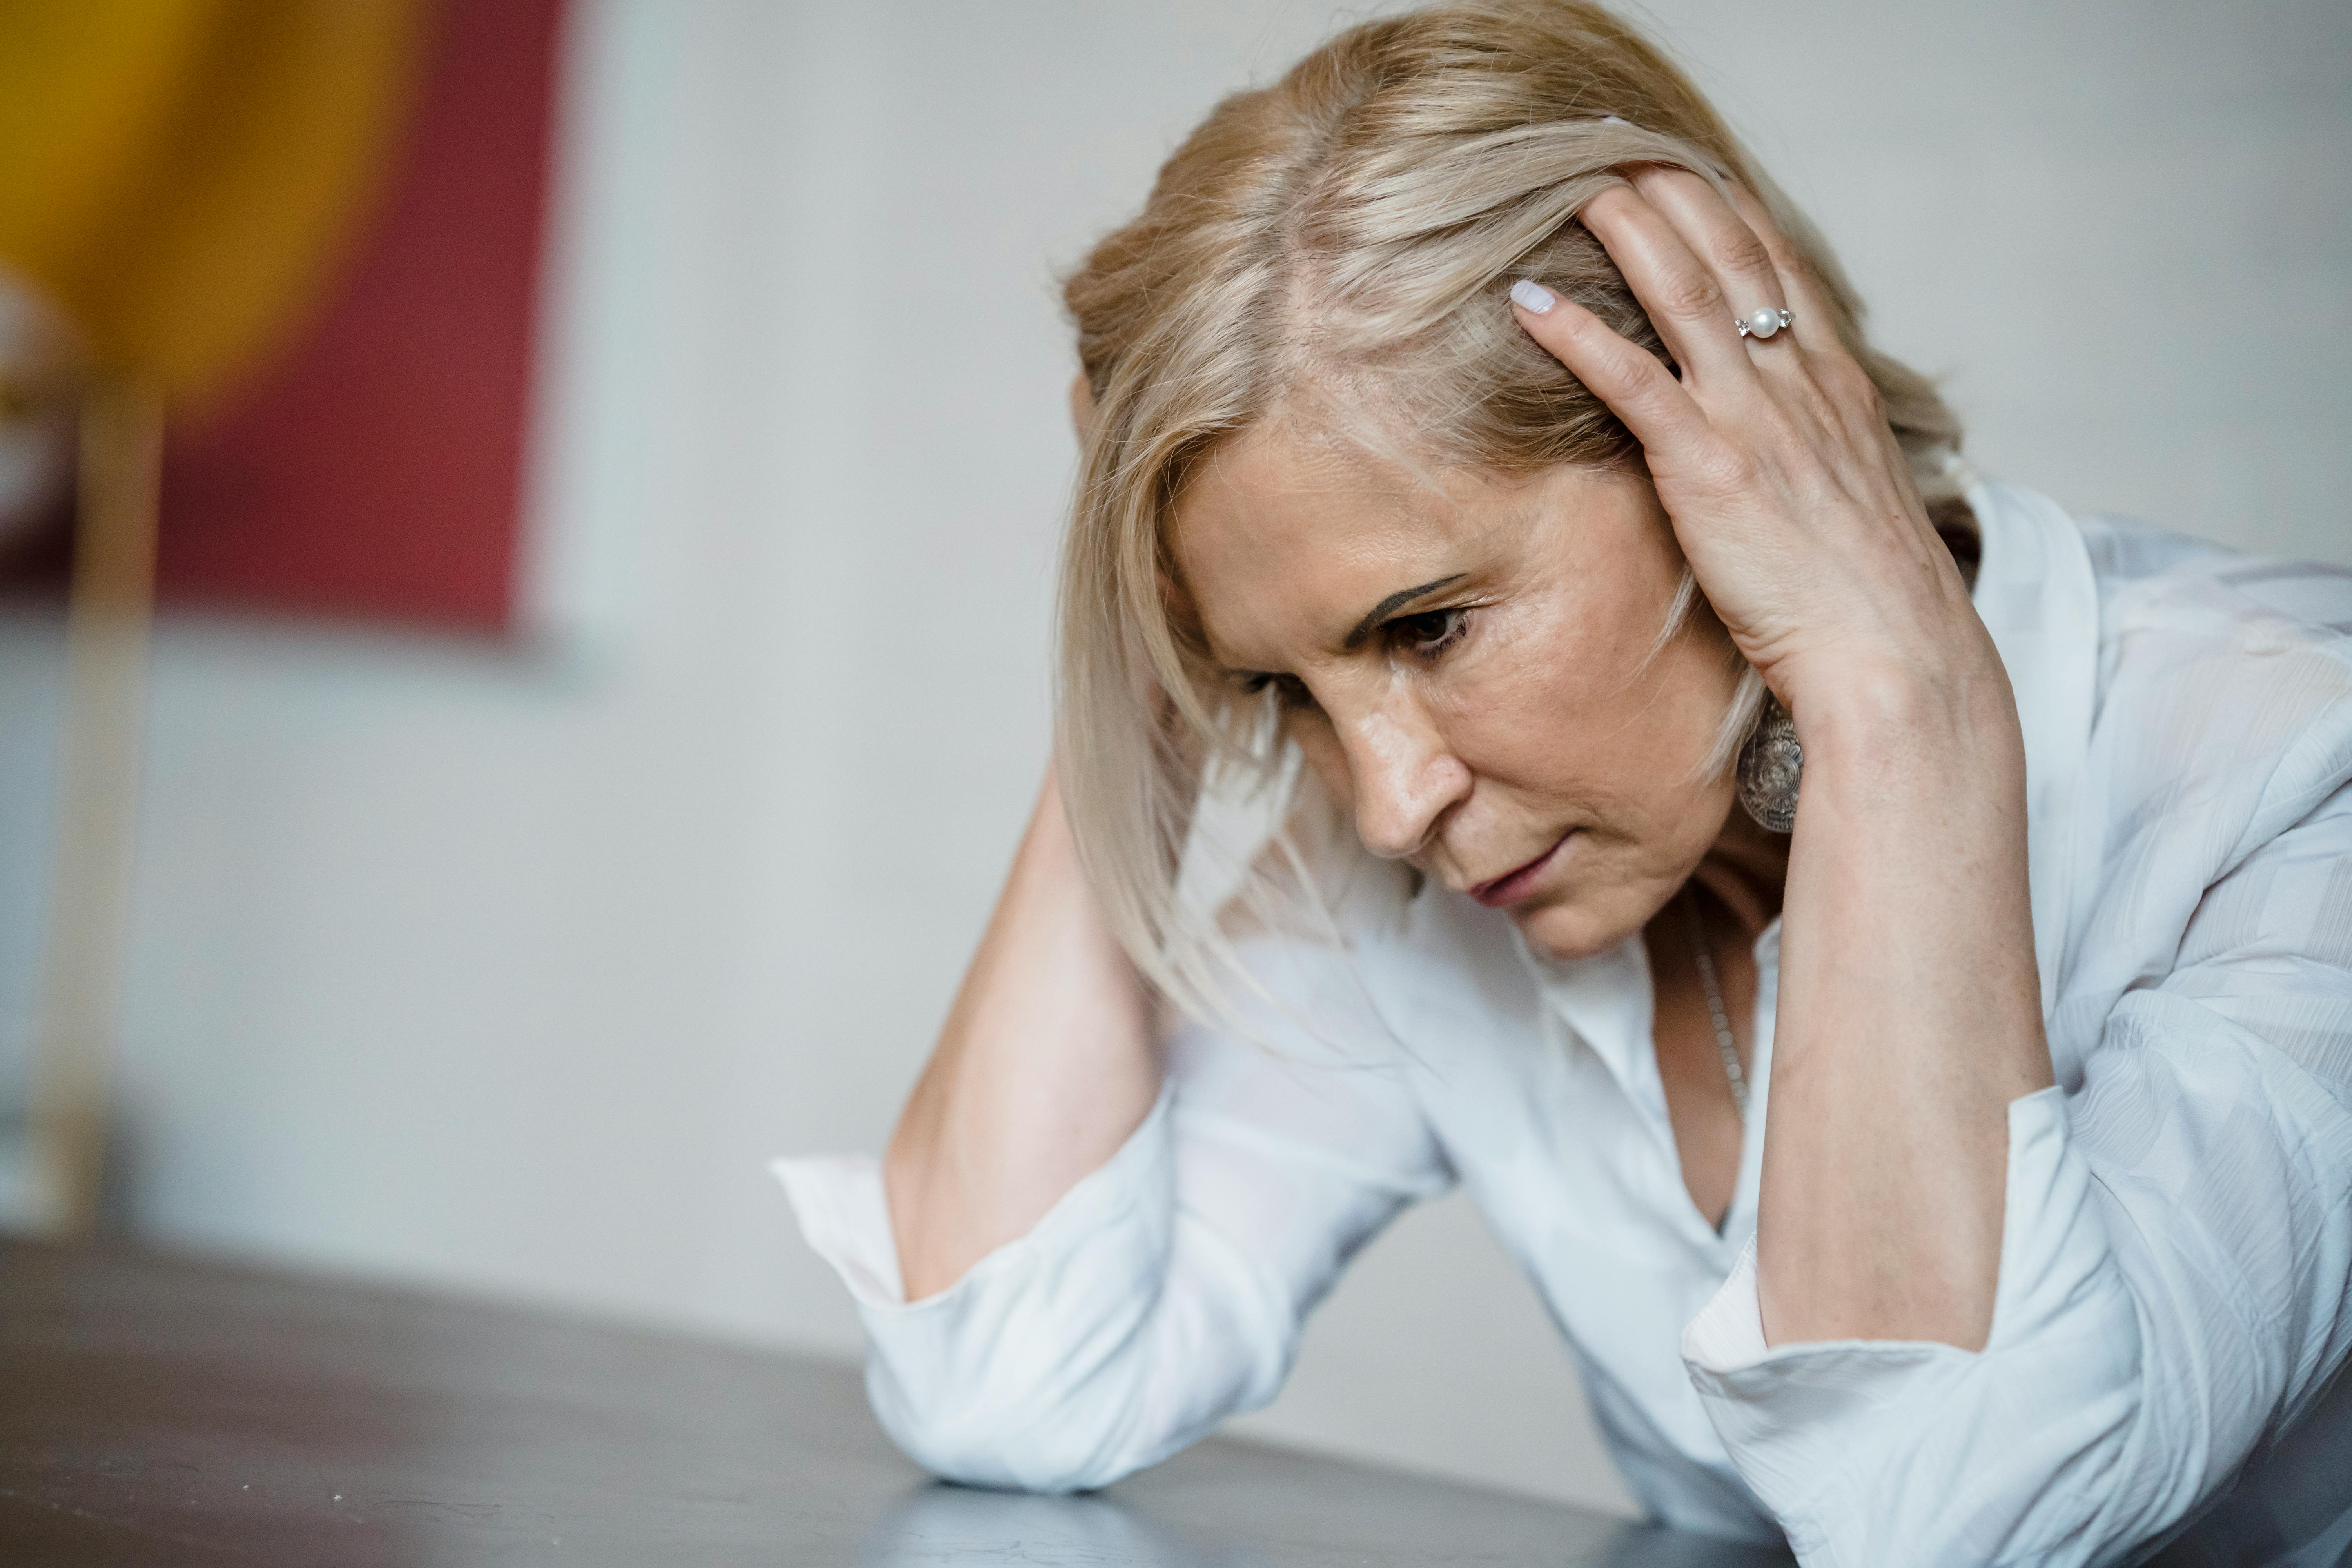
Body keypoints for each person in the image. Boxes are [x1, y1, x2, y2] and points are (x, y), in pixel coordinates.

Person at [775, 3, 2352, 1561]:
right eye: (1283, 686)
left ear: (1714, 439)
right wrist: (1145, 636)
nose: (1391, 805)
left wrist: (1893, 689)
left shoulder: (2293, 777)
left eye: (1431, 625)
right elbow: (1006, 1380)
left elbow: (1963, 1506)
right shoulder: (1425, 883)